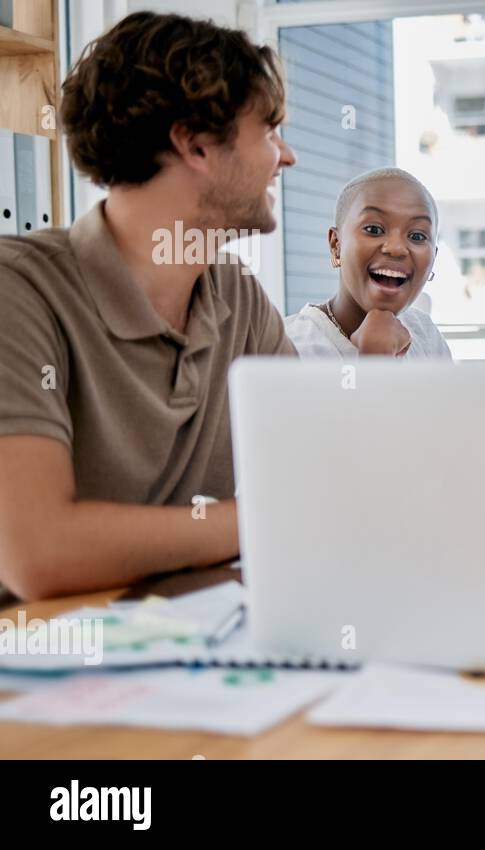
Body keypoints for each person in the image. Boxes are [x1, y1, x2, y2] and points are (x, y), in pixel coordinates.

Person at [0, 12, 297, 600]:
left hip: (187, 653)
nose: (285, 157)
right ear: (194, 143)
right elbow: (39, 553)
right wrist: (267, 520)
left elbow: (318, 474)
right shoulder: (19, 291)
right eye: (268, 131)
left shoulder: (240, 299)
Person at [285, 168, 451, 359]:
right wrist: (376, 358)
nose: (396, 249)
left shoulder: (426, 335)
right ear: (336, 245)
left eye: (417, 236)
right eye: (374, 229)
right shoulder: (289, 349)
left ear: (434, 258)